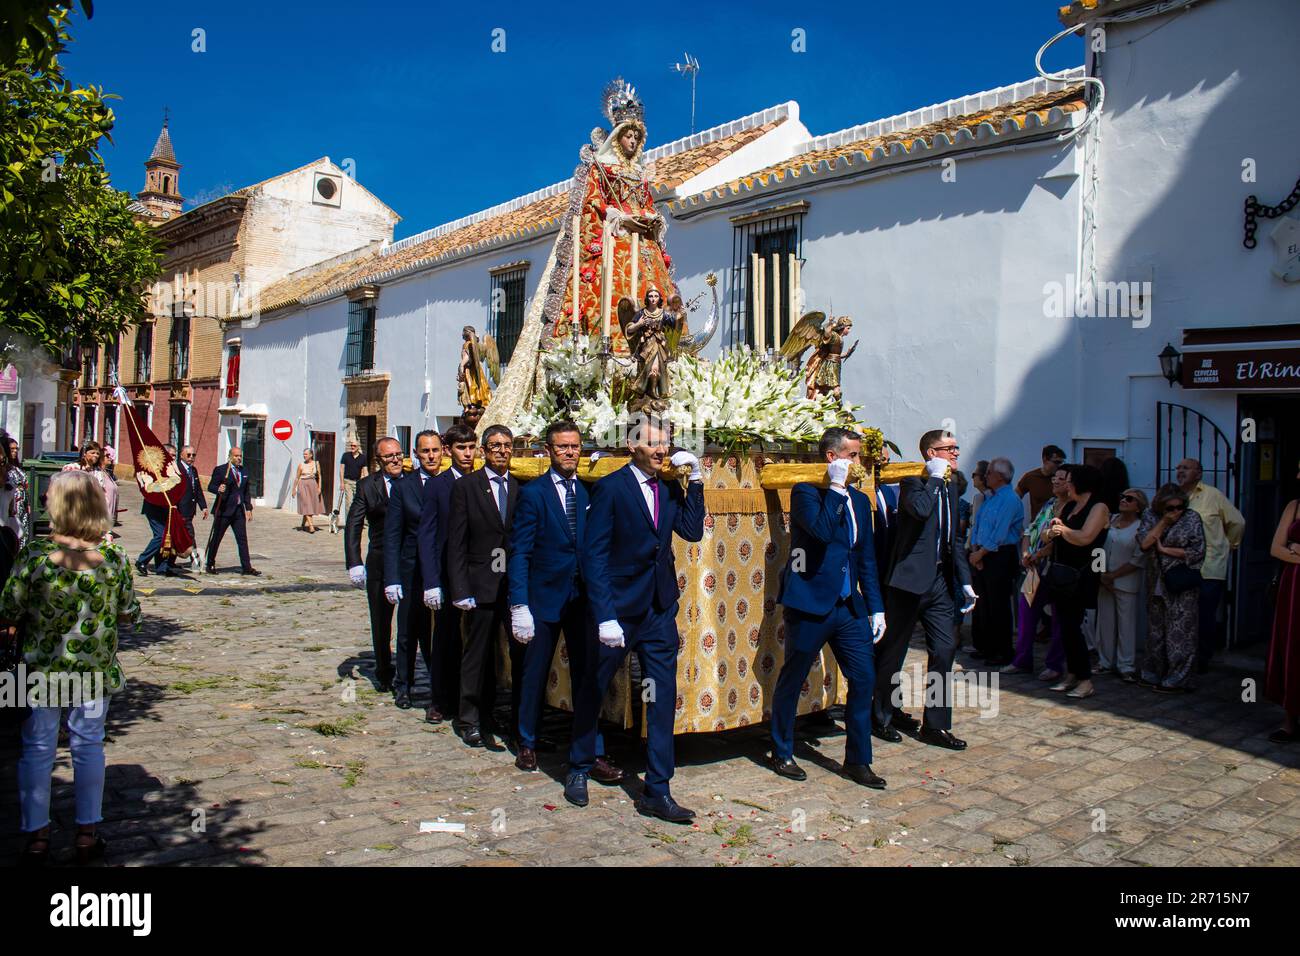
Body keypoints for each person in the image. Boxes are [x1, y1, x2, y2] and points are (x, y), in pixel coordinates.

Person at [565, 415, 703, 822]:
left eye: (666, 444)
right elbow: (594, 556)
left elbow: (692, 532)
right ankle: (579, 765)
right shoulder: (610, 488)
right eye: (654, 444)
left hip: (659, 610)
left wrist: (694, 481)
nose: (662, 451)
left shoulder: (670, 488)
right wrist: (605, 614)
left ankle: (657, 790)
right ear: (632, 447)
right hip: (618, 612)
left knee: (661, 698)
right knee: (594, 685)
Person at [1, 470, 140, 866]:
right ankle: (86, 832)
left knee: (38, 749)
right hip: (93, 670)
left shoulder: (34, 557)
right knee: (88, 745)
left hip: (43, 671)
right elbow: (130, 613)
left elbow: (8, 609)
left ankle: (37, 835)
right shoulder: (113, 560)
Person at [768, 427, 887, 789]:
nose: (858, 462)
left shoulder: (861, 500)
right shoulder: (806, 492)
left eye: (860, 455)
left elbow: (865, 556)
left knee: (865, 678)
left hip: (849, 605)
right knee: (794, 676)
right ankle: (782, 750)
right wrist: (835, 489)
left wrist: (876, 607)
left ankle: (858, 760)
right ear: (832, 458)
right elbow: (819, 532)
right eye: (852, 455)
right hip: (811, 602)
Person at [507, 420, 622, 782]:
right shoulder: (534, 494)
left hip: (582, 598)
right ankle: (527, 741)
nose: (570, 453)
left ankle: (592, 750)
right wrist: (519, 604)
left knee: (587, 676)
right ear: (549, 450)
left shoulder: (590, 493)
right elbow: (520, 552)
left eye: (574, 447)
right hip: (544, 598)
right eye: (562, 447)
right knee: (534, 672)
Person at [872, 429, 976, 751]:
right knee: (894, 652)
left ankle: (936, 725)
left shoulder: (954, 485)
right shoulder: (913, 483)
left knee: (945, 650)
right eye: (948, 449)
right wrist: (932, 480)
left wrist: (965, 580)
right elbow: (918, 511)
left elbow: (954, 539)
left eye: (957, 448)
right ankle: (882, 715)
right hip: (907, 582)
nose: (955, 453)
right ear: (931, 453)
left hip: (940, 583)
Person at [446, 425, 519, 748]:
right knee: (477, 653)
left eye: (506, 446)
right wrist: (460, 588)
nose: (501, 451)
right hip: (481, 582)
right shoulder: (468, 487)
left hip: (512, 585)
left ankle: (517, 722)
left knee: (520, 654)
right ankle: (470, 718)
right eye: (495, 446)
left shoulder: (519, 487)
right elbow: (457, 543)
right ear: (483, 451)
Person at [418, 424, 477, 723]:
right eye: (460, 448)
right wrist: (430, 581)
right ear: (448, 451)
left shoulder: (482, 482)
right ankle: (439, 699)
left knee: (476, 643)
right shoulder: (438, 486)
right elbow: (427, 536)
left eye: (470, 448)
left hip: (477, 574)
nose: (467, 454)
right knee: (445, 640)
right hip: (445, 573)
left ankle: (473, 700)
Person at [382, 430, 443, 709]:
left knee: (438, 633)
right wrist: (392, 577)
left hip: (441, 569)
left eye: (435, 450)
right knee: (407, 630)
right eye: (425, 451)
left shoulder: (449, 483)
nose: (431, 456)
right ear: (416, 455)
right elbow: (393, 535)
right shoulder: (404, 488)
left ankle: (440, 683)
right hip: (411, 569)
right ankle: (403, 684)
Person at [1041, 464, 1109, 700]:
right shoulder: (1068, 505)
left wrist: (1062, 530)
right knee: (1063, 627)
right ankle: (1071, 674)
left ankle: (1085, 679)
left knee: (1073, 627)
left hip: (1081, 576)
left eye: (1069, 480)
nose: (1065, 484)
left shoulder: (1098, 507)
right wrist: (1052, 532)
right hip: (1061, 574)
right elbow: (1046, 533)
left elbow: (1085, 537)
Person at [1176, 458, 1245, 673]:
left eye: (1185, 468)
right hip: (1181, 567)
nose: (1180, 471)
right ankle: (1180, 657)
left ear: (1198, 473)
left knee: (1204, 616)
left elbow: (1237, 522)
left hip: (1209, 566)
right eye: (1178, 468)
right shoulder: (1173, 496)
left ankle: (1201, 660)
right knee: (1181, 615)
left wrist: (1230, 545)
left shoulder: (1212, 495)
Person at [346, 438, 404, 691]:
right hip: (380, 559)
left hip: (408, 559)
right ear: (379, 461)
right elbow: (354, 525)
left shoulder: (412, 482)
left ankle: (408, 670)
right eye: (389, 456)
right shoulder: (367, 486)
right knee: (381, 620)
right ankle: (383, 670)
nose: (395, 459)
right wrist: (354, 562)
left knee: (412, 621)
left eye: (398, 454)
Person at [1137, 483, 1206, 692]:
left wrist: (1166, 549)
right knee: (1156, 631)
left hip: (1181, 581)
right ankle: (1154, 673)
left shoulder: (1191, 518)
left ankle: (1179, 679)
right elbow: (1144, 543)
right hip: (1156, 580)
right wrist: (1164, 523)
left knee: (1181, 633)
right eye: (1170, 508)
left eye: (1179, 507)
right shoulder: (1151, 516)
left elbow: (1198, 551)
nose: (1176, 512)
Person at [1004, 465, 1069, 678]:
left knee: (1059, 618)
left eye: (1060, 478)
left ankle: (1055, 665)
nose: (1055, 481)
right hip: (1034, 569)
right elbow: (1031, 529)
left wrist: (1039, 554)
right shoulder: (1050, 504)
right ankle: (1022, 659)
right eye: (1055, 478)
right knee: (1026, 614)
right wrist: (1025, 553)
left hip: (1056, 568)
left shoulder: (1072, 509)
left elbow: (1062, 541)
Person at [967, 457, 1023, 665]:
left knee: (998, 605)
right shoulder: (990, 497)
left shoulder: (1009, 499)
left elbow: (1000, 533)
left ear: (999, 476)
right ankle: (987, 647)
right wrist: (975, 551)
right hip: (983, 554)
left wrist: (980, 554)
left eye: (989, 472)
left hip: (999, 555)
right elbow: (979, 524)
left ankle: (1002, 650)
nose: (985, 476)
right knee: (984, 604)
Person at [1096, 488, 1148, 681]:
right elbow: (1098, 546)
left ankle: (1126, 665)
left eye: (1130, 499)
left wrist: (1114, 576)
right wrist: (1101, 573)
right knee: (1105, 623)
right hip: (1103, 578)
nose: (1124, 501)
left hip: (1126, 580)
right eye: (1122, 497)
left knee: (1126, 625)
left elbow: (1138, 558)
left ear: (1138, 506)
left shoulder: (1140, 527)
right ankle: (1105, 661)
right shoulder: (1110, 520)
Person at [1264, 473, 1300, 743]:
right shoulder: (1294, 506)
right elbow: (1276, 549)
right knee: (1290, 645)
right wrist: (1293, 552)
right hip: (1293, 585)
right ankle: (1289, 720)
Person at [206, 447, 260, 576]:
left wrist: (248, 508)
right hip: (223, 510)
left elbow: (246, 491)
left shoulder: (244, 471)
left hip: (238, 511)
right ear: (230, 456)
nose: (239, 458)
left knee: (242, 539)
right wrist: (218, 488)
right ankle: (210, 563)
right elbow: (210, 486)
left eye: (240, 456)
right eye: (236, 456)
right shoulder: (221, 470)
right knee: (217, 538)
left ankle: (246, 567)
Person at [137, 444, 181, 578]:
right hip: (154, 506)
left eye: (175, 455)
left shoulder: (173, 468)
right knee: (161, 535)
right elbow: (150, 488)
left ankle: (162, 567)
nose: (174, 457)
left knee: (167, 536)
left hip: (168, 507)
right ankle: (142, 560)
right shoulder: (154, 467)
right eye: (172, 455)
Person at [64, 441, 118, 534]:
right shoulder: (71, 468)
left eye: (97, 453)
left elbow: (102, 494)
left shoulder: (98, 472)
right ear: (84, 453)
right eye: (92, 452)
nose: (96, 455)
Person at [176, 445, 208, 572]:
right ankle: (195, 561)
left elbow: (198, 490)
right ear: (182, 455)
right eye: (188, 455)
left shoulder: (193, 470)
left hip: (190, 509)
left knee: (182, 536)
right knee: (189, 535)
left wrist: (203, 506)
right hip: (180, 509)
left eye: (193, 455)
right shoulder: (177, 469)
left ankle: (169, 561)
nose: (191, 458)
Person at [1016, 444, 1066, 524]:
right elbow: (1014, 501)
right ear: (1045, 460)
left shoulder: (1063, 479)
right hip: (1036, 528)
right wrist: (1019, 527)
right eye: (1056, 462)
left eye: (1061, 463)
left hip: (1057, 527)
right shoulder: (1030, 477)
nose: (1059, 466)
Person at [291, 447, 326, 534]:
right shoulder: (301, 465)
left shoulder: (316, 463)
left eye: (306, 454)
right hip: (302, 485)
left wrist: (319, 487)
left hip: (312, 484)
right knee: (306, 504)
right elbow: (297, 477)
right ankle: (311, 526)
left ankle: (303, 523)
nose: (304, 456)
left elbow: (319, 476)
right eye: (304, 454)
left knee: (311, 505)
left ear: (311, 455)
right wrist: (294, 489)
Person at [337, 439, 367, 533]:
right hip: (347, 482)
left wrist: (366, 483)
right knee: (349, 503)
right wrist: (342, 482)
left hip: (358, 482)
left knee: (358, 503)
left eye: (354, 446)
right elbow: (341, 469)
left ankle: (358, 522)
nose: (352, 447)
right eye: (351, 445)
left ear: (358, 447)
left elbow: (365, 471)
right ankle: (349, 524)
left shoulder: (363, 458)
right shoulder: (346, 456)